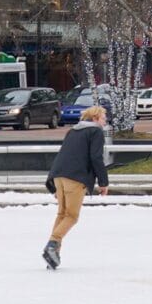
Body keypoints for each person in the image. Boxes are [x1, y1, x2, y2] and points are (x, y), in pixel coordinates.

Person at [42, 103, 110, 269]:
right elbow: (96, 158)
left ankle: (54, 252)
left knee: (62, 213)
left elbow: (63, 153)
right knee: (72, 216)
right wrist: (103, 182)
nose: (105, 121)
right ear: (95, 118)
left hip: (59, 175)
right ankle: (52, 245)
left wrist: (53, 180)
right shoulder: (95, 131)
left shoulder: (73, 130)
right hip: (76, 177)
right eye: (103, 118)